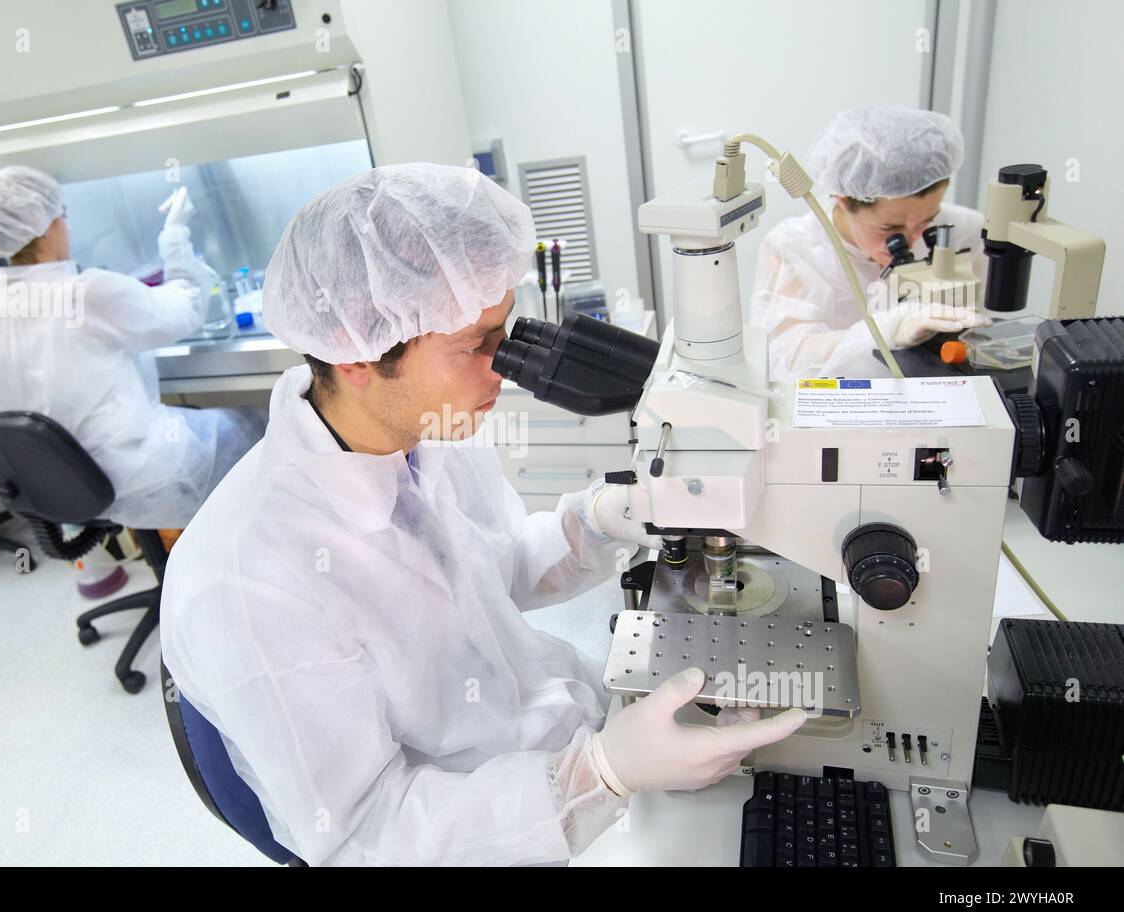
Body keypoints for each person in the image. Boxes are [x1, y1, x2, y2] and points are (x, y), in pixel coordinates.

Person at [160, 163, 807, 866]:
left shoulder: (426, 432)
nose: (505, 368)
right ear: (357, 359)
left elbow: (494, 566)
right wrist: (596, 779)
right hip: (491, 836)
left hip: (567, 731)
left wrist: (600, 518)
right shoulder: (247, 582)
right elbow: (364, 838)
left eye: (504, 332)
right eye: (476, 346)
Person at [0, 166, 266, 529]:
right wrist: (175, 236)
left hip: (63, 486)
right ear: (42, 224)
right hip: (141, 477)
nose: (69, 226)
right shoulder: (84, 293)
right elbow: (185, 309)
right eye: (63, 215)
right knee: (260, 423)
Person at [751, 106, 992, 380]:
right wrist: (887, 331)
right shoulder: (794, 248)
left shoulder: (966, 230)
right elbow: (784, 360)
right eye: (891, 228)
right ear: (842, 199)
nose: (912, 241)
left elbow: (983, 335)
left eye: (927, 221)